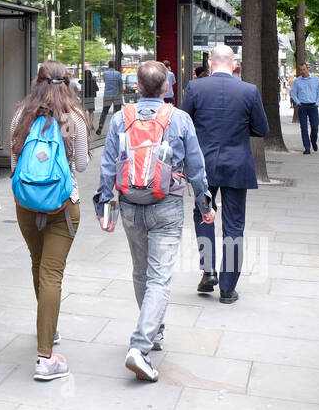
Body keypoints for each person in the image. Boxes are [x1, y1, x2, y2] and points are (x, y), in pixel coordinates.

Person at [96, 60, 211, 381]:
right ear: (166, 88)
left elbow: (108, 164)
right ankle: (140, 346)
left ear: (137, 86)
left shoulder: (121, 118)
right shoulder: (180, 119)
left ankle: (154, 331)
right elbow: (196, 167)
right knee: (159, 278)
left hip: (130, 204)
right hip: (168, 204)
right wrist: (204, 204)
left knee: (140, 272)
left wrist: (105, 203)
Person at [8, 59, 91, 381]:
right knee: (52, 275)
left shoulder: (22, 115)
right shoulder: (73, 118)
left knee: (37, 263)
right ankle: (45, 357)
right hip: (63, 205)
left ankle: (48, 330)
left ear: (37, 82)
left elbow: (14, 162)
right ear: (67, 83)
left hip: (26, 204)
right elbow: (82, 165)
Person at [183, 44, 269, 303]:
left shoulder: (195, 88)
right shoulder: (248, 90)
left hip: (204, 167)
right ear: (234, 65)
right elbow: (261, 128)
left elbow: (184, 124)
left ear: (210, 64)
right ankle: (228, 288)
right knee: (234, 224)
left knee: (203, 213)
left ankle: (208, 269)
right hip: (237, 166)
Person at [291, 61, 319, 154]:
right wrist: (298, 103)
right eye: (301, 70)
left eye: (304, 69)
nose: (303, 71)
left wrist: (317, 103)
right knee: (304, 128)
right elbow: (293, 93)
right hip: (302, 106)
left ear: (307, 69)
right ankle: (307, 148)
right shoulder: (297, 81)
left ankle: (313, 141)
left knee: (315, 127)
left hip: (313, 106)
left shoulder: (315, 79)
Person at [95, 59, 124, 134]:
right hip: (116, 94)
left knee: (104, 111)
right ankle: (116, 128)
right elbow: (120, 84)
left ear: (108, 66)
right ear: (114, 66)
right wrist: (121, 93)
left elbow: (105, 81)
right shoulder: (118, 74)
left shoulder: (105, 73)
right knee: (117, 112)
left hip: (107, 94)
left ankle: (100, 126)